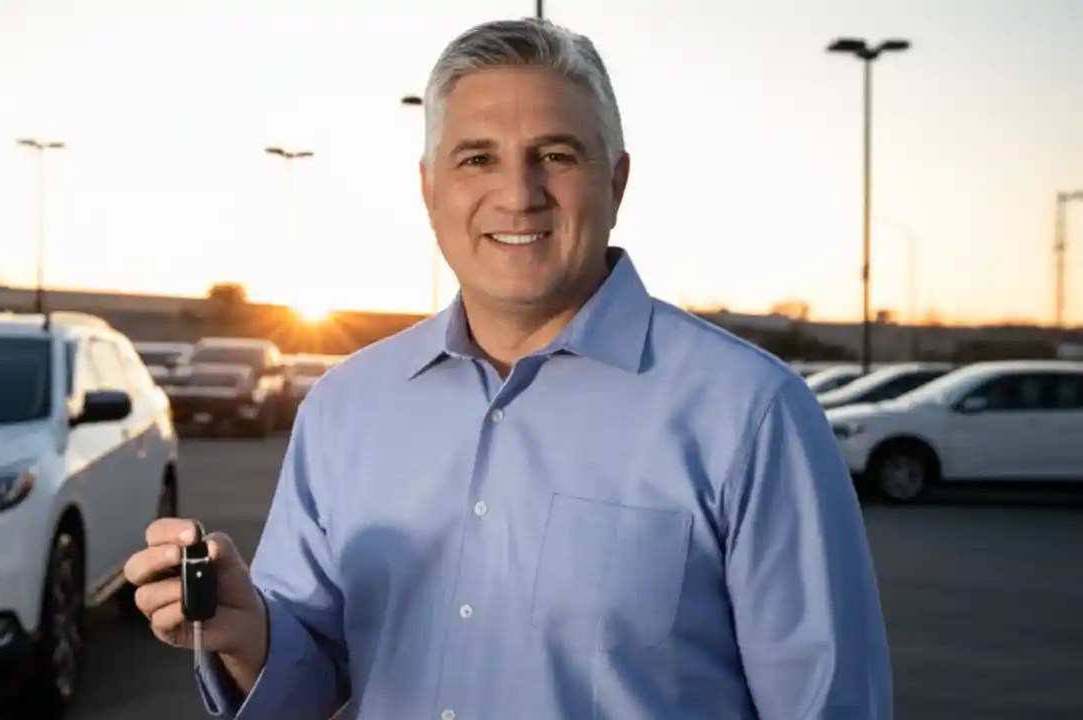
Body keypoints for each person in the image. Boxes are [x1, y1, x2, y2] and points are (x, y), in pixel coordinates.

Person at [124, 17, 893, 719]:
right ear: (431, 190)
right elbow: (317, 667)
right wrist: (246, 630)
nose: (518, 195)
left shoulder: (751, 415)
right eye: (477, 158)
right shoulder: (345, 408)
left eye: (555, 156)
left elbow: (827, 703)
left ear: (616, 183)